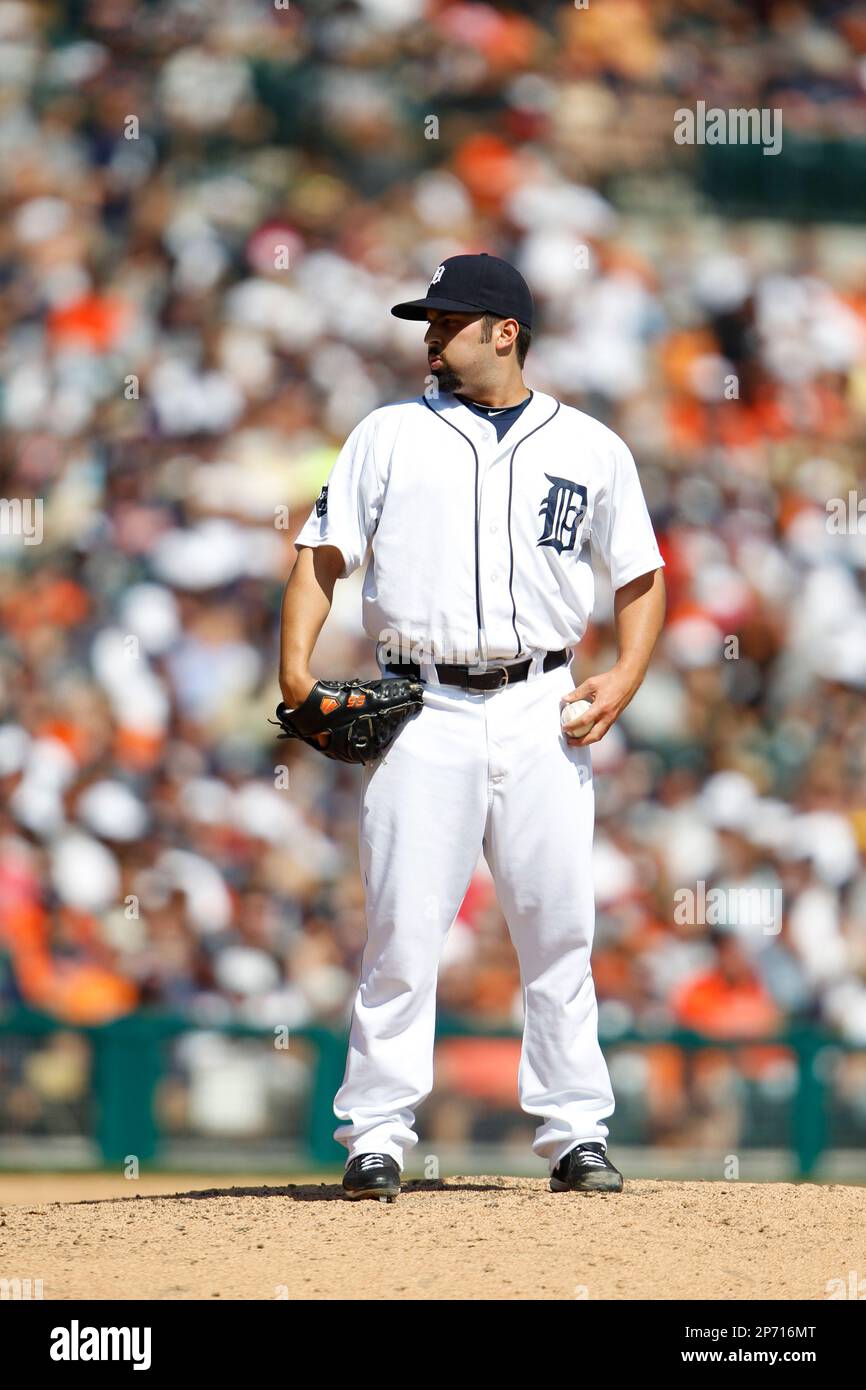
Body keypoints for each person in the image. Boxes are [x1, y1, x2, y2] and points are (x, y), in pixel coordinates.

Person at [280, 253, 666, 1201]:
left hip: (545, 704)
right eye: (428, 322)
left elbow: (640, 575)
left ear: (505, 333)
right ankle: (376, 1133)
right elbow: (321, 556)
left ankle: (576, 1131)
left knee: (557, 927)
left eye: (446, 322)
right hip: (423, 705)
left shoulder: (590, 445)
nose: (429, 337)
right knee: (404, 933)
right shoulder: (388, 435)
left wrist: (626, 672)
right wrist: (295, 671)